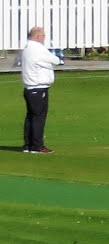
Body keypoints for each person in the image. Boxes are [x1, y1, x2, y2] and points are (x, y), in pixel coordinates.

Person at [17, 26, 62, 154]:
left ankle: (28, 145)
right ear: (37, 36)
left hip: (29, 88)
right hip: (38, 87)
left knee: (30, 116)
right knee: (38, 117)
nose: (44, 38)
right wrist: (49, 64)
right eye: (43, 35)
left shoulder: (26, 48)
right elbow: (55, 60)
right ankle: (37, 146)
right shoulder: (38, 49)